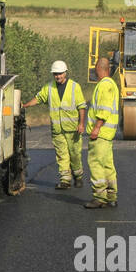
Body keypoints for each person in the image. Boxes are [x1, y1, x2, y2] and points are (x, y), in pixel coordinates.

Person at [35, 59, 86, 190]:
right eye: (55, 74)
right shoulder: (49, 87)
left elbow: (81, 107)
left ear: (65, 73)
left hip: (73, 130)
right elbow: (39, 98)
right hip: (57, 130)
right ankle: (65, 180)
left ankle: (78, 177)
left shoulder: (75, 87)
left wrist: (81, 124)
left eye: (60, 73)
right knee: (62, 155)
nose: (58, 76)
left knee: (74, 154)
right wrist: (24, 105)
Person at [84, 55, 120, 209]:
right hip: (107, 135)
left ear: (99, 69)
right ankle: (111, 196)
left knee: (96, 163)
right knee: (107, 165)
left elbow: (104, 110)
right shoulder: (111, 84)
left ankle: (99, 197)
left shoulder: (104, 85)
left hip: (100, 133)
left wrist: (96, 127)